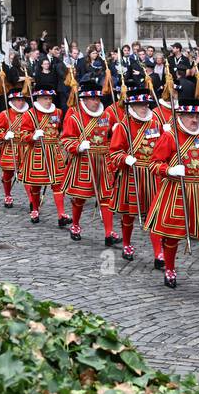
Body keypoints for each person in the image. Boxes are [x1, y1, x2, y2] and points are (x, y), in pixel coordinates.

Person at [146, 73, 199, 295]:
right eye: (190, 116)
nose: (194, 120)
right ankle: (170, 270)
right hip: (176, 190)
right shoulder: (170, 136)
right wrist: (169, 170)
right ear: (180, 116)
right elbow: (154, 164)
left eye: (197, 116)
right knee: (172, 234)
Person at [106, 86, 164, 262]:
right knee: (128, 214)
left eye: (146, 104)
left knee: (154, 214)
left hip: (152, 174)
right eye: (140, 104)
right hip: (132, 174)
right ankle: (126, 243)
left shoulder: (155, 123)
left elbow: (163, 147)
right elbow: (114, 152)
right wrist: (125, 158)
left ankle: (158, 252)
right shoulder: (123, 126)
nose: (144, 107)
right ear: (132, 106)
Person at [60, 73, 116, 243]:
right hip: (84, 161)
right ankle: (75, 225)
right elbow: (66, 140)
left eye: (98, 99)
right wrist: (78, 146)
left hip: (102, 161)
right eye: (92, 99)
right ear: (84, 99)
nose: (96, 102)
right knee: (80, 197)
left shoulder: (106, 116)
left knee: (106, 197)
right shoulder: (75, 117)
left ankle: (109, 233)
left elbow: (110, 137)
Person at [23, 85, 69, 226]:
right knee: (36, 185)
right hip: (37, 151)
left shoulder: (58, 112)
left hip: (54, 152)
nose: (48, 101)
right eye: (45, 98)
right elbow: (22, 135)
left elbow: (60, 130)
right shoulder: (30, 114)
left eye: (50, 98)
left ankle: (61, 214)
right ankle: (35, 209)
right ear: (38, 98)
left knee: (58, 184)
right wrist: (33, 136)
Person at [0, 87, 36, 209]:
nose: (20, 102)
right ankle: (7, 195)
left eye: (22, 100)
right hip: (10, 147)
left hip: (26, 147)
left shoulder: (30, 114)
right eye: (17, 100)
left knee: (27, 175)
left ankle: (32, 201)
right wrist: (5, 135)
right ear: (12, 101)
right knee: (7, 174)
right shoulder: (4, 114)